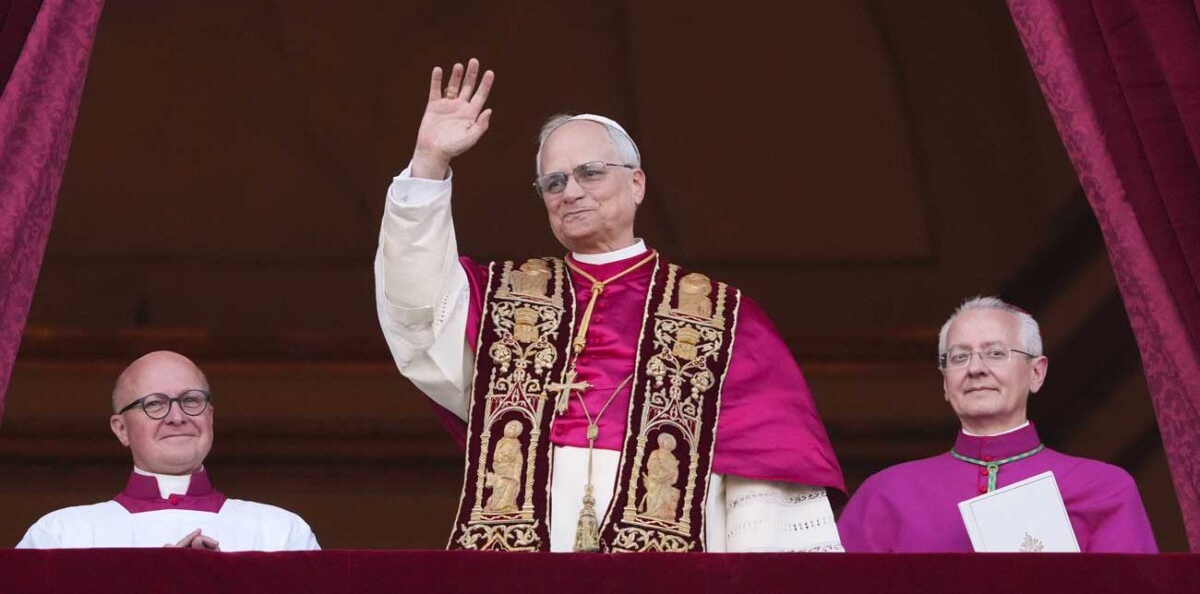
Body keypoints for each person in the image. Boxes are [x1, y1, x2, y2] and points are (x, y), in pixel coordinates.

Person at [374, 58, 844, 552]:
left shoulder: (722, 318)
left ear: (636, 183)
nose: (570, 191)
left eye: (590, 173)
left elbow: (765, 482)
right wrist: (429, 164)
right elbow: (418, 307)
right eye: (553, 182)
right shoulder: (505, 300)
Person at [837, 296, 1158, 552]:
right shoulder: (885, 494)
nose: (975, 368)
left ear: (1037, 373)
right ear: (945, 383)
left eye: (995, 353)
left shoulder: (1103, 489)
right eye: (959, 357)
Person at [17, 351, 319, 551]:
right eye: (155, 404)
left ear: (210, 417)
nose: (177, 417)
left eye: (191, 400)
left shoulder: (280, 533)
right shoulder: (60, 536)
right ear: (121, 429)